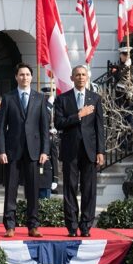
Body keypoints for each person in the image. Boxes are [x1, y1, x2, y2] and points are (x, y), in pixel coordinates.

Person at [0, 63, 51, 237]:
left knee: (33, 190)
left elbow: (45, 128)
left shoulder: (40, 98)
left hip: (34, 151)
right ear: (16, 77)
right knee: (11, 189)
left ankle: (33, 225)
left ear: (31, 77)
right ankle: (10, 225)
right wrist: (2, 150)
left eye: (28, 74)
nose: (25, 77)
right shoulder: (8, 98)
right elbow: (1, 128)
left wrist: (45, 151)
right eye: (21, 74)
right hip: (12, 151)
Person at [53, 65, 105, 237]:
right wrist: (78, 115)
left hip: (90, 151)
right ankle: (72, 226)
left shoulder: (95, 98)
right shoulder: (62, 99)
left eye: (83, 74)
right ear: (72, 77)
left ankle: (86, 225)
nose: (81, 77)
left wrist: (100, 151)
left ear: (87, 77)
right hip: (70, 150)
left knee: (89, 189)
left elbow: (99, 128)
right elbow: (59, 123)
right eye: (77, 75)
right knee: (70, 188)